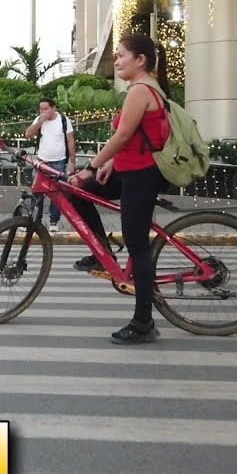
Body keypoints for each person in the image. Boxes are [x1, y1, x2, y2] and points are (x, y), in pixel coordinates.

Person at [66, 33, 171, 345]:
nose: (118, 61)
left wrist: (91, 166)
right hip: (130, 169)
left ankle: (144, 323)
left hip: (142, 176)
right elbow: (137, 137)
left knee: (138, 247)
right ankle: (102, 253)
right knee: (77, 193)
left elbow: (123, 136)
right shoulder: (145, 88)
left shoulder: (141, 90)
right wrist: (111, 164)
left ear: (140, 60)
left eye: (122, 55)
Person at [25, 97, 76, 232]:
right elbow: (28, 134)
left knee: (56, 193)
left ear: (53, 108)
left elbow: (70, 141)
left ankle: (54, 221)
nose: (43, 111)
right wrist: (40, 121)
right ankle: (35, 220)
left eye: (46, 108)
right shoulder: (39, 120)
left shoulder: (63, 120)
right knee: (37, 193)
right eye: (41, 109)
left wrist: (72, 162)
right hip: (41, 161)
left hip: (58, 161)